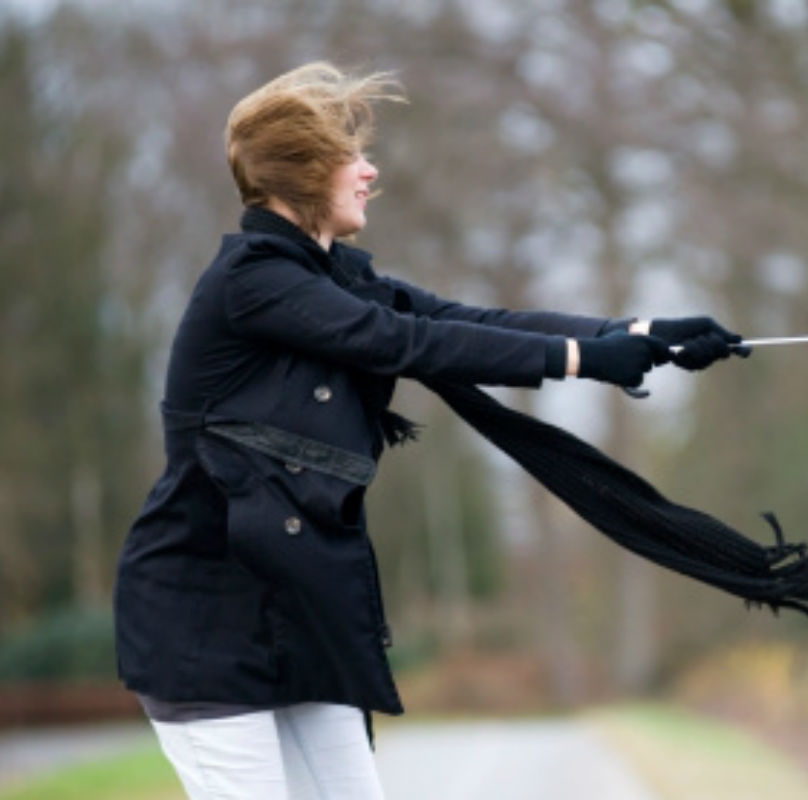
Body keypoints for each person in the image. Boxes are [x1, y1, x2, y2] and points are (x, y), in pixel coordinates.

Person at [113, 61, 745, 798]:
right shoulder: (252, 281)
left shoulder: (330, 276)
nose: (370, 171)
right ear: (305, 171)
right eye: (351, 157)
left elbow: (461, 321)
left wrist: (638, 331)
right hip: (204, 623)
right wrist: (583, 360)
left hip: (299, 613)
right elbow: (405, 343)